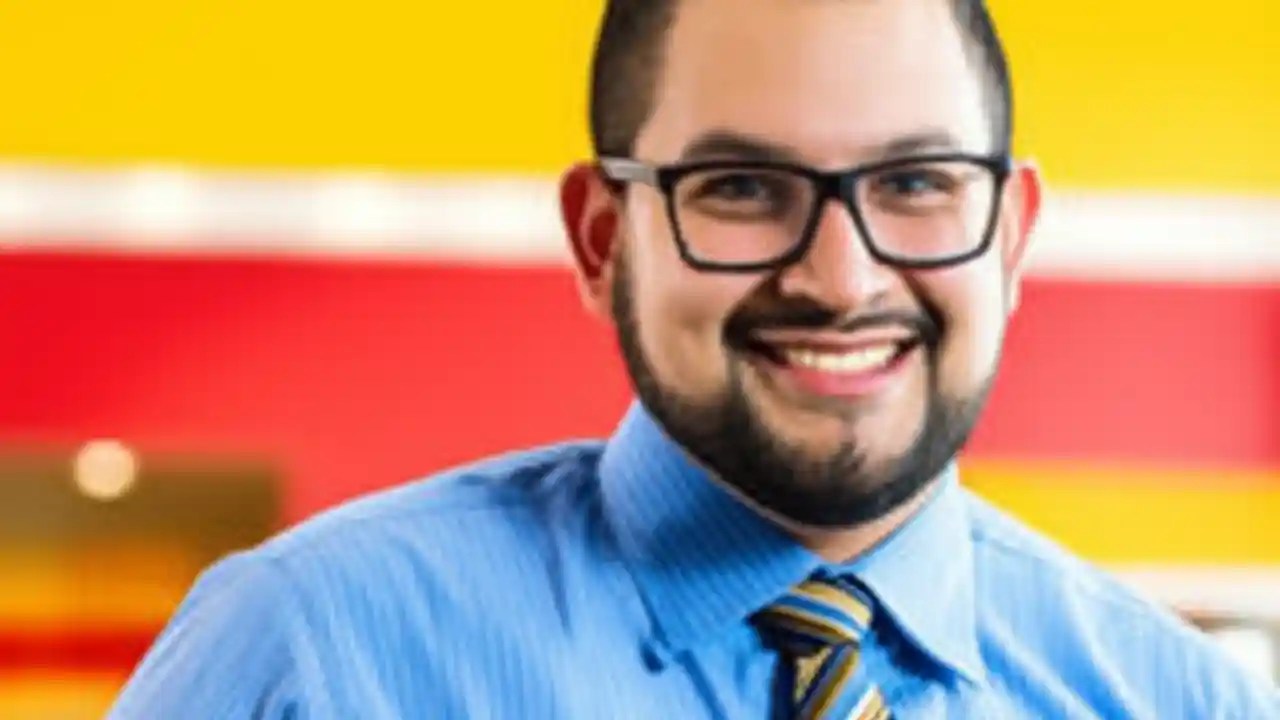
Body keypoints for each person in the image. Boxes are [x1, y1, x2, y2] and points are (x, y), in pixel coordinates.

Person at [110, 0, 1279, 717]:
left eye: (916, 183)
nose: (841, 279)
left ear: (1009, 236)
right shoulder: (310, 654)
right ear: (602, 239)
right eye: (741, 188)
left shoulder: (1182, 702)